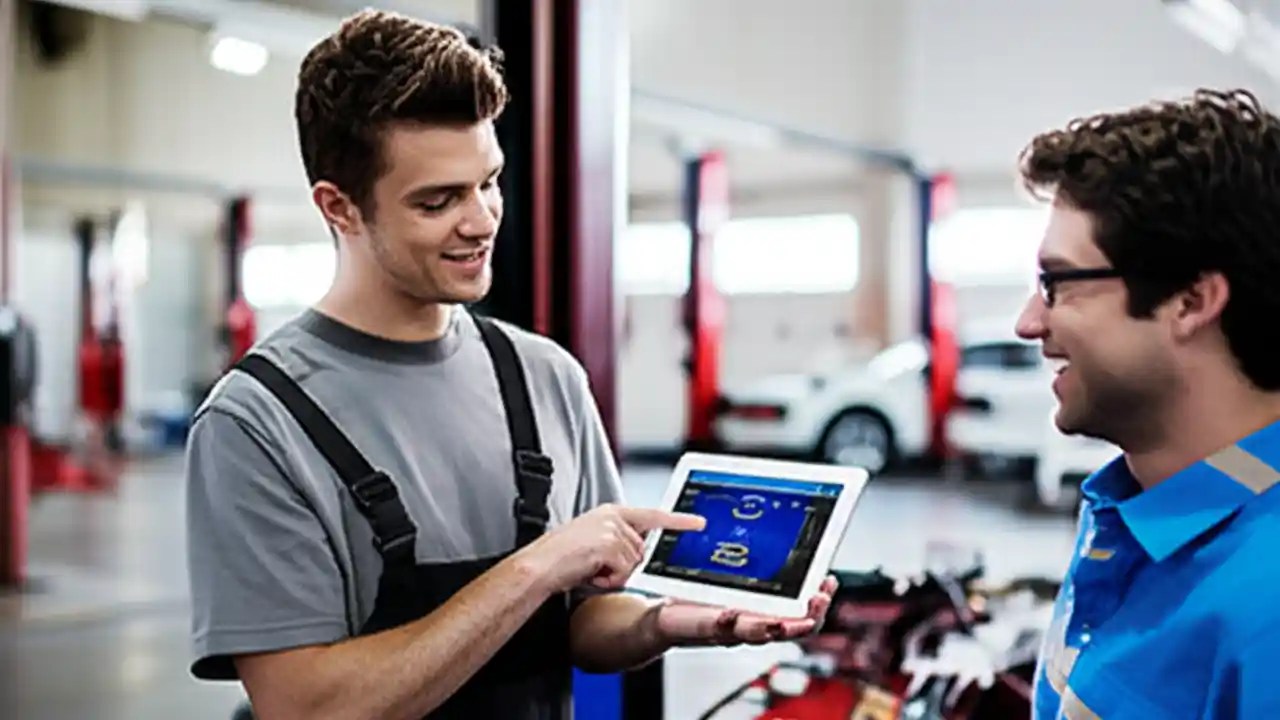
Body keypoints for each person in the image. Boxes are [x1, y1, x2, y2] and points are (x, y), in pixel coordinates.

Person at [183, 9, 835, 720]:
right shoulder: (256, 424)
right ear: (339, 208)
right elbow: (307, 708)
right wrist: (537, 566)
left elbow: (586, 619)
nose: (483, 219)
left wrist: (669, 622)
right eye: (438, 201)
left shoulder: (543, 376)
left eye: (489, 182)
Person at [1016, 87, 1280, 719]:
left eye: (1058, 285)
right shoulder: (1129, 511)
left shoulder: (1266, 608)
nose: (1029, 322)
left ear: (1190, 302)